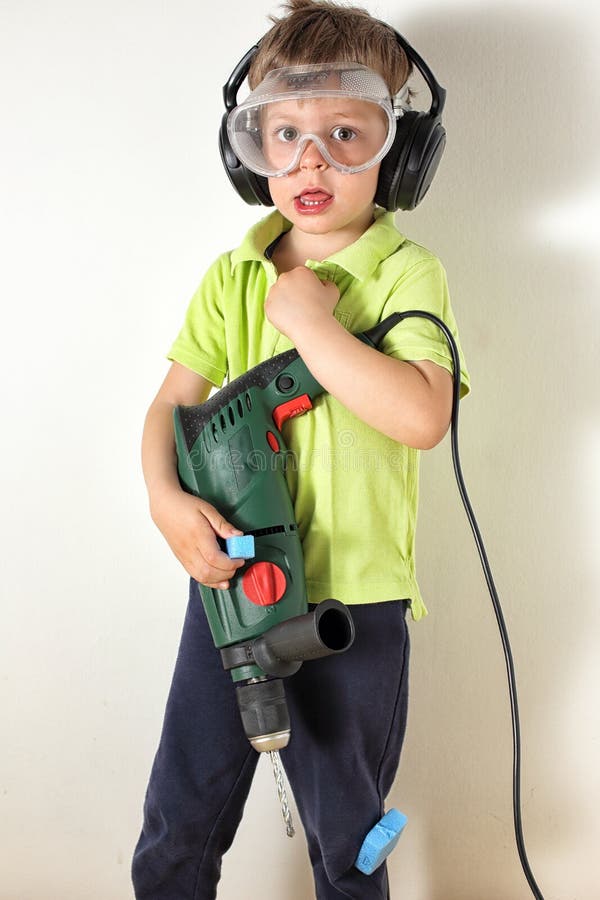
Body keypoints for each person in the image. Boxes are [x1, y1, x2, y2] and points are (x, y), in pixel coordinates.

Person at [132, 1, 470, 898]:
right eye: (282, 131)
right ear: (250, 149)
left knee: (347, 839)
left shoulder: (406, 273)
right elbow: (172, 404)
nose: (309, 158)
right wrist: (165, 500)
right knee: (178, 821)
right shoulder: (233, 272)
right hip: (231, 593)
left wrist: (314, 326)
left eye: (345, 132)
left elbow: (422, 417)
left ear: (397, 151)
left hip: (355, 609)